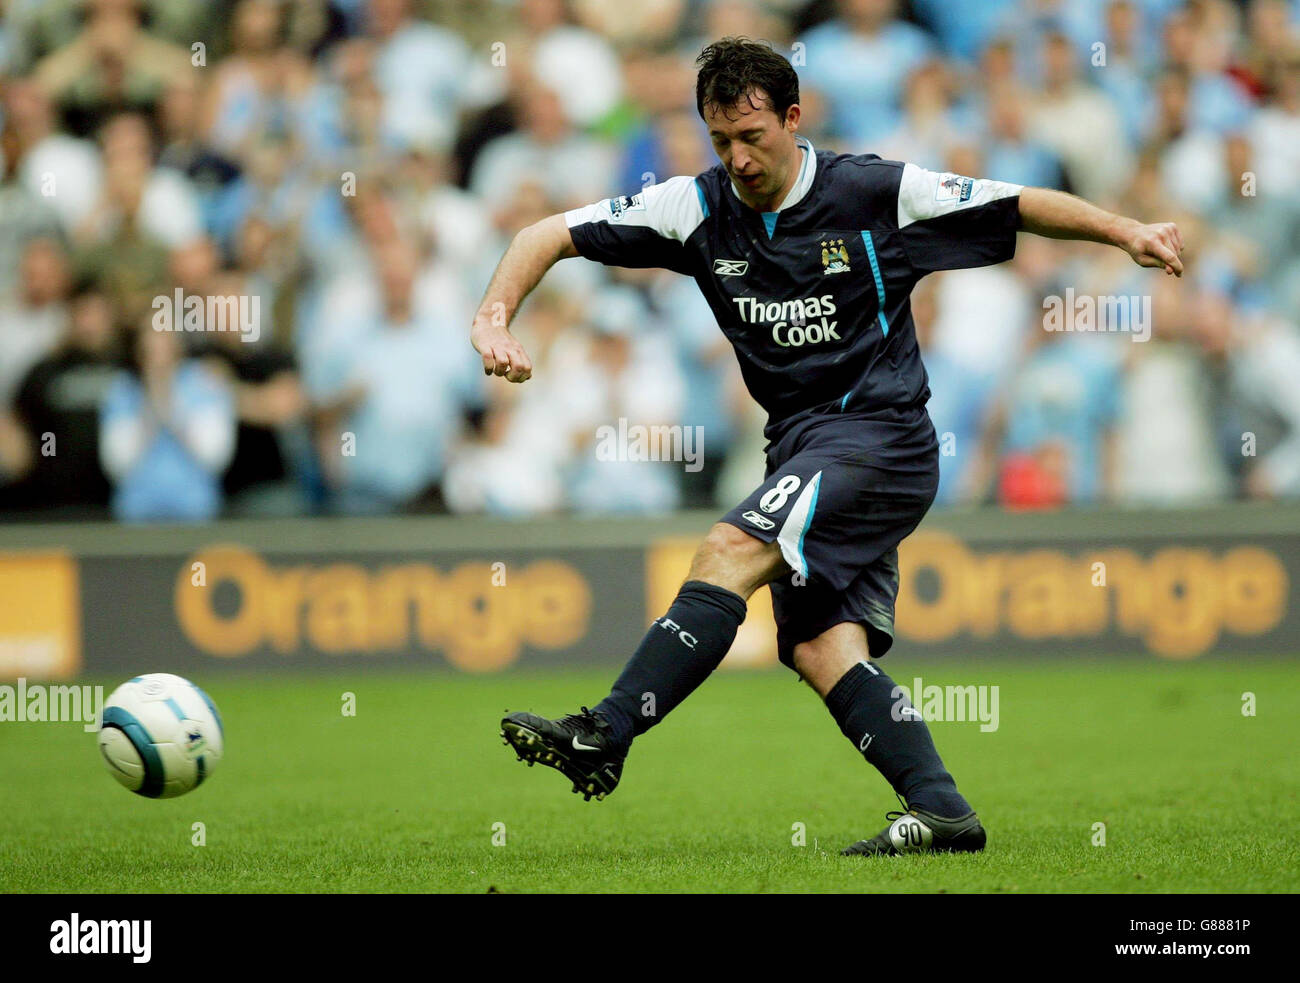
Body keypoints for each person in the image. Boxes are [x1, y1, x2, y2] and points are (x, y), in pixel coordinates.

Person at [471, 38, 1184, 856]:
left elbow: (1018, 201)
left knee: (728, 545)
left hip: (881, 440)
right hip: (801, 448)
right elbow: (545, 233)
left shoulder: (877, 192)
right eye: (720, 142)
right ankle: (942, 809)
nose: (738, 159)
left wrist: (1124, 229)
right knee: (816, 647)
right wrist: (495, 315)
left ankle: (605, 730)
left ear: (794, 118)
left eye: (753, 137)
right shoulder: (694, 207)